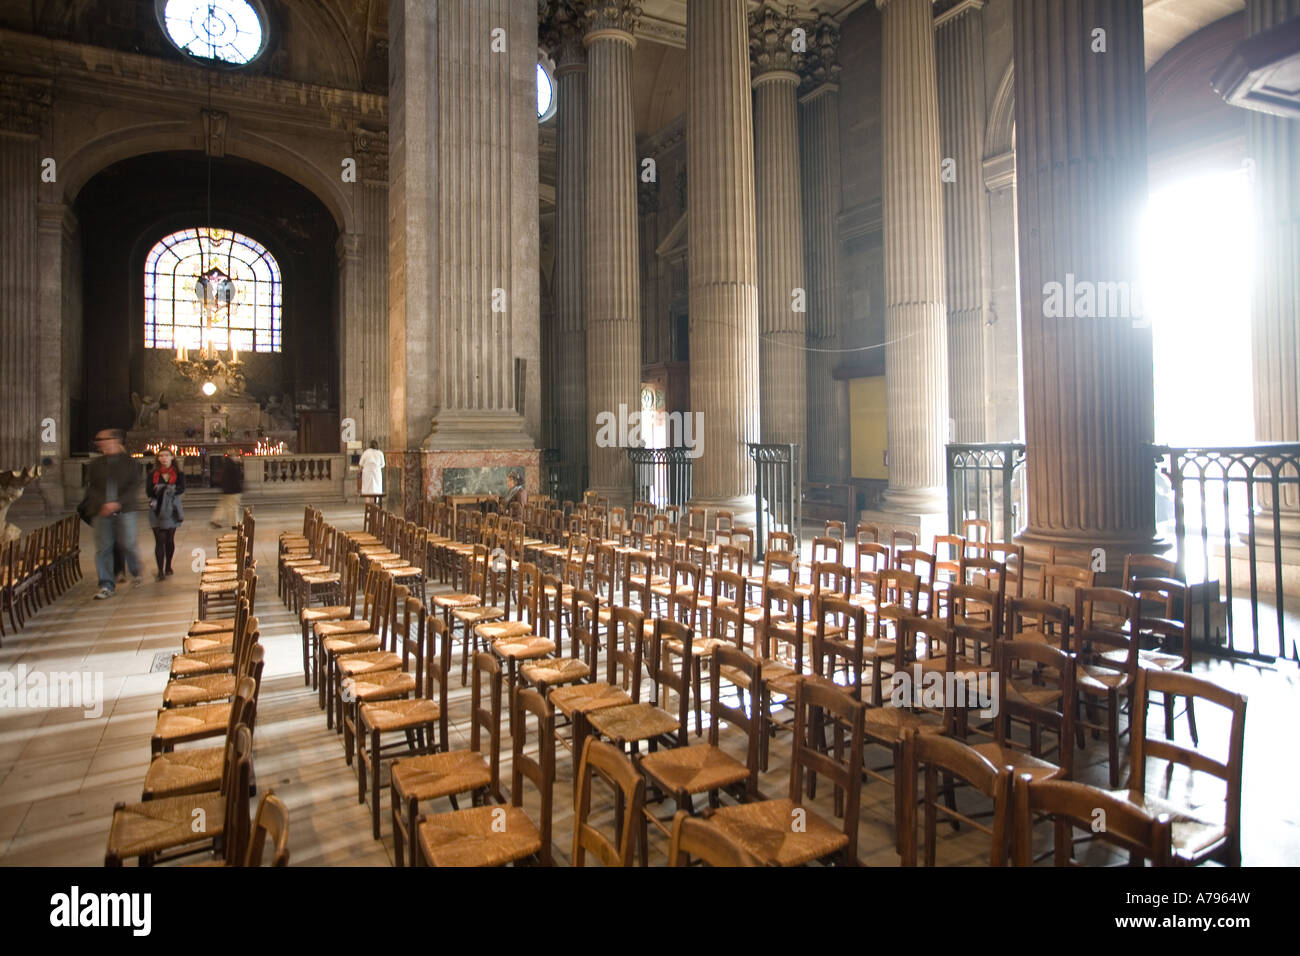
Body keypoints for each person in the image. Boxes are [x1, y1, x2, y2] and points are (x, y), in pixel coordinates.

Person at [85, 428, 143, 599]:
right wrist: (102, 504)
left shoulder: (130, 463)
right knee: (103, 548)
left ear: (115, 440)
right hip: (101, 510)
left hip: (125, 509)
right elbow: (91, 488)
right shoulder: (96, 465)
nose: (98, 442)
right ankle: (106, 584)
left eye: (102, 438)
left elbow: (134, 486)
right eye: (97, 439)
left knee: (128, 543)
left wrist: (118, 503)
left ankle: (135, 570)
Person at [147, 448, 185, 580]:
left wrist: (165, 490)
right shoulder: (153, 474)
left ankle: (168, 565)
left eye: (166, 455)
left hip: (172, 509)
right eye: (161, 456)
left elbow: (181, 488)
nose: (164, 458)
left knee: (169, 539)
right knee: (159, 540)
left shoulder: (178, 474)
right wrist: (165, 490)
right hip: (156, 509)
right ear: (158, 458)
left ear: (172, 457)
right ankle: (160, 571)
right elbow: (149, 491)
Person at [210, 454, 243, 529]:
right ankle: (234, 524)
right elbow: (237, 479)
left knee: (222, 506)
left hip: (226, 490)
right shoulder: (233, 466)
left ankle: (215, 520)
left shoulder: (225, 466)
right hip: (233, 491)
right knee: (233, 507)